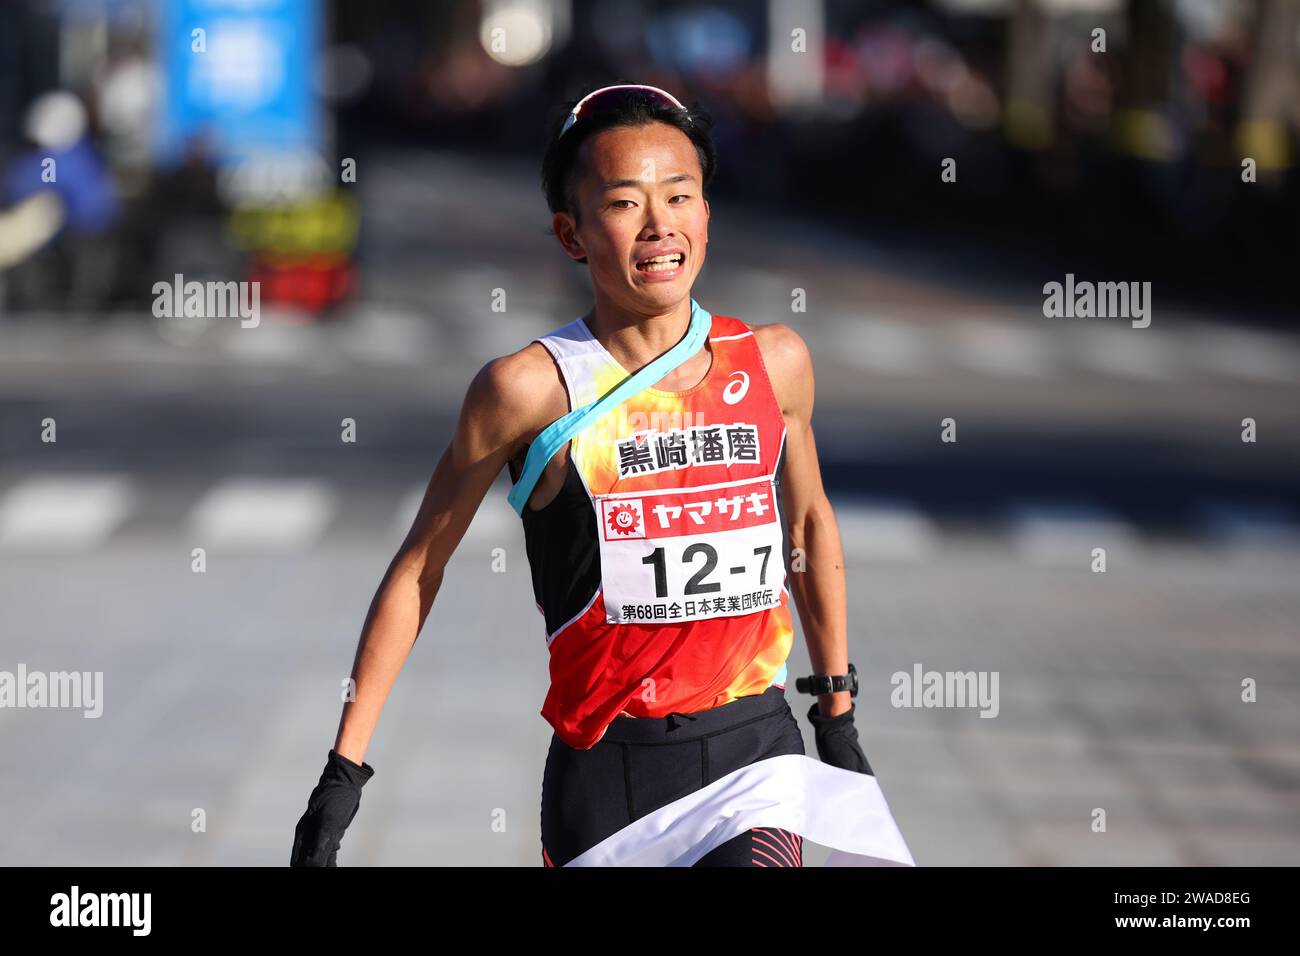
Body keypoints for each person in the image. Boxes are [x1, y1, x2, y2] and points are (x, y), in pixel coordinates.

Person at [291, 84, 912, 868]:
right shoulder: (528, 390)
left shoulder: (773, 363)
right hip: (605, 775)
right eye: (625, 203)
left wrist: (836, 711)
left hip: (755, 752)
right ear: (572, 232)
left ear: (707, 215)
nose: (661, 225)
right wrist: (341, 776)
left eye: (680, 196)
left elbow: (811, 525)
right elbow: (420, 566)